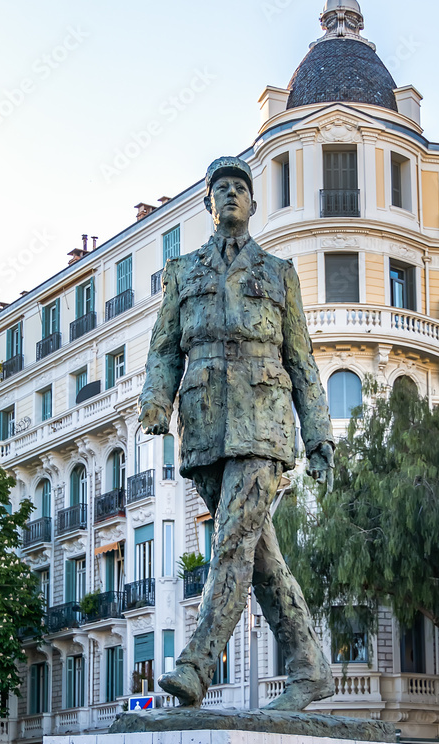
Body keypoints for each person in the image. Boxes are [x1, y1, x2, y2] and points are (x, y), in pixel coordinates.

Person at [139, 156, 335, 710]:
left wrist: (318, 435)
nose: (230, 194)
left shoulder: (278, 273)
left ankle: (197, 667)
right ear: (208, 203)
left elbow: (301, 360)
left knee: (231, 543)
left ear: (252, 203)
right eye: (220, 187)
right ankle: (310, 668)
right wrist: (155, 403)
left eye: (239, 187)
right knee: (259, 555)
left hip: (263, 426)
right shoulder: (184, 272)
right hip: (203, 428)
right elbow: (162, 350)